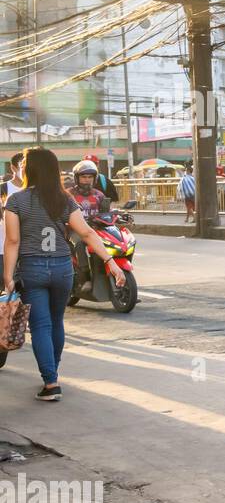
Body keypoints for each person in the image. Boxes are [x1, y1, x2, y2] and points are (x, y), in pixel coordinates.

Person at [3, 148, 126, 401]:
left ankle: (50, 382)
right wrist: (111, 262)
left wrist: (8, 278)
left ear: (31, 169)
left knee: (40, 326)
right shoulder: (66, 199)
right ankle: (53, 373)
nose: (22, 167)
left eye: (25, 163)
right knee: (56, 322)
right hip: (62, 269)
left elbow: (13, 241)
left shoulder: (16, 201)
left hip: (32, 269)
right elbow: (87, 233)